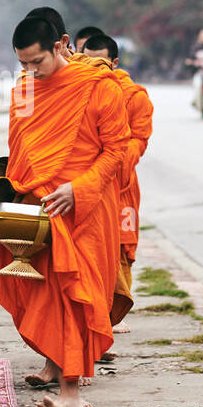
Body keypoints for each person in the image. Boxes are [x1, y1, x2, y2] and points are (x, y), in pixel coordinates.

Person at [0, 16, 129, 407]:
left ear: (62, 45)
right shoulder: (25, 91)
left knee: (74, 293)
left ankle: (72, 392)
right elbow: (21, 148)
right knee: (43, 293)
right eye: (23, 64)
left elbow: (116, 150)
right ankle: (60, 374)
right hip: (39, 209)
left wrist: (78, 189)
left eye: (37, 62)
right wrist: (14, 195)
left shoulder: (99, 88)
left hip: (83, 208)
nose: (30, 72)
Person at [80, 34, 154, 335]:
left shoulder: (133, 96)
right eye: (87, 61)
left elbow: (139, 139)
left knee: (120, 251)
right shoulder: (76, 90)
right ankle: (93, 322)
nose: (95, 68)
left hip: (121, 187)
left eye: (102, 62)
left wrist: (114, 159)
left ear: (114, 62)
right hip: (87, 185)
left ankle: (110, 317)